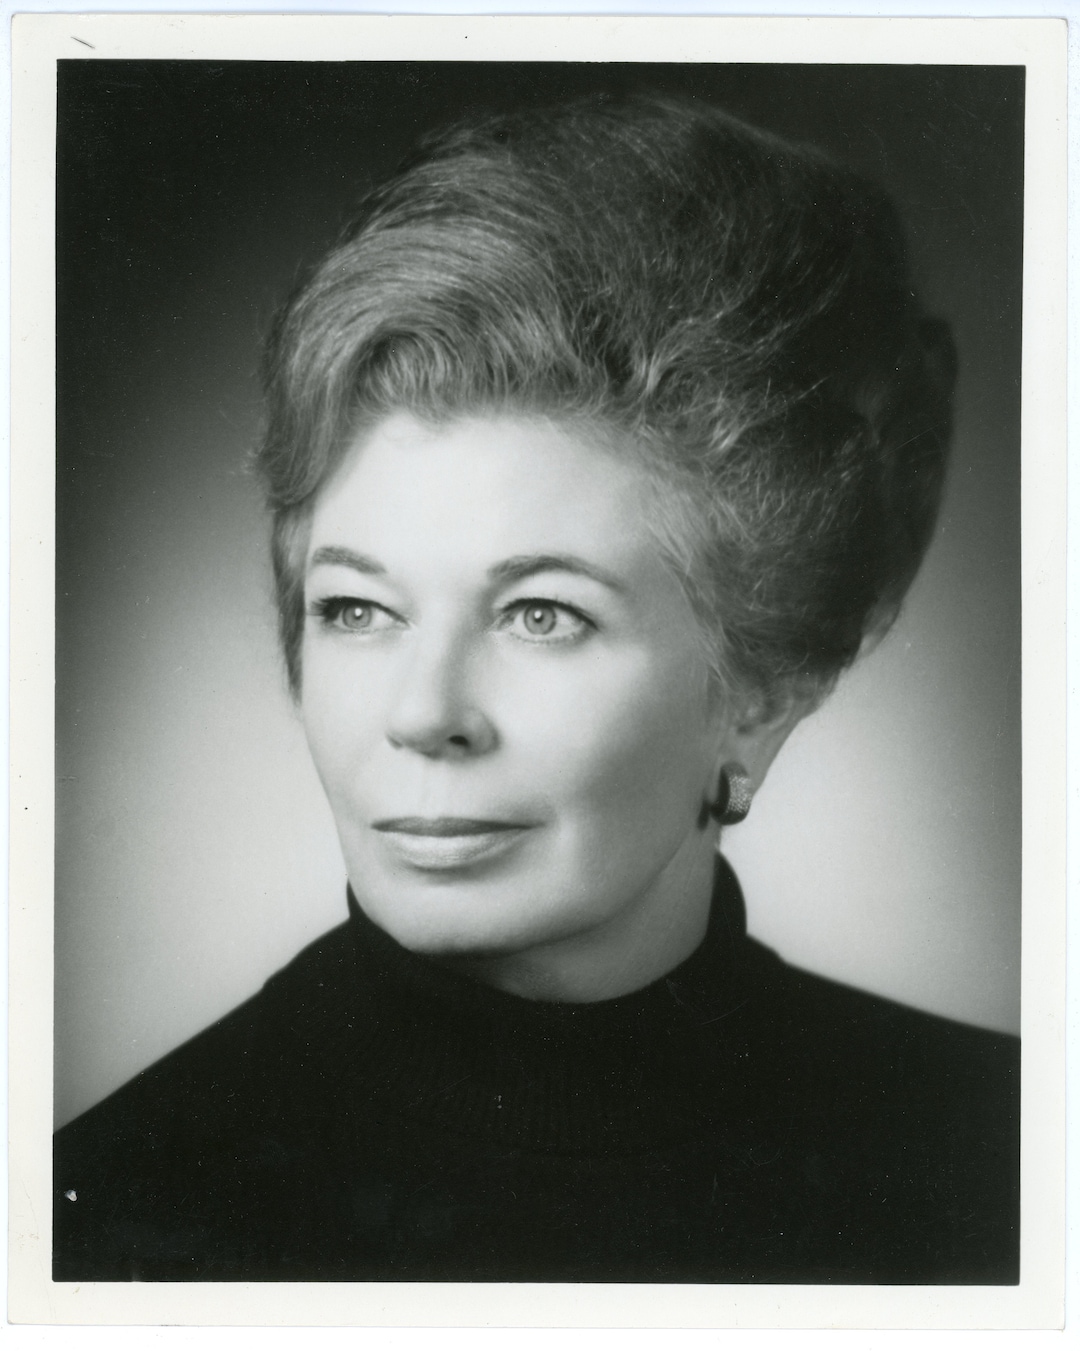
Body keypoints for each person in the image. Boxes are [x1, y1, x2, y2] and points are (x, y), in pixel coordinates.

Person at [53, 93, 1018, 1283]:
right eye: (357, 609)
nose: (423, 714)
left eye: (541, 614)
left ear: (764, 689)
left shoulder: (1009, 1157)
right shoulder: (106, 1217)